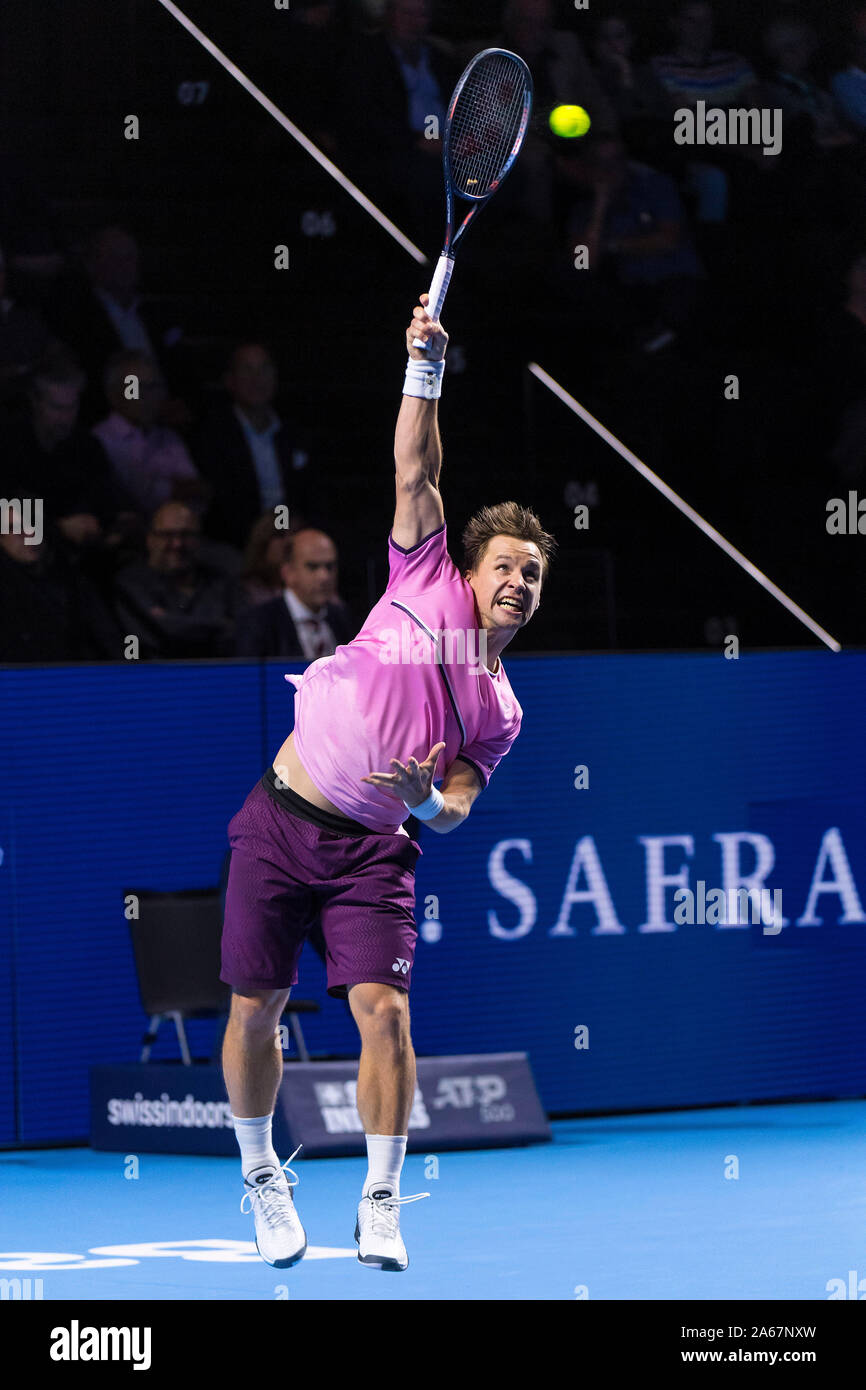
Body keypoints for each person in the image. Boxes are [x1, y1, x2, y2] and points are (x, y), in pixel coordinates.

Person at [219, 294, 556, 1272]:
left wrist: (418, 802)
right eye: (506, 565)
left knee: (387, 1013)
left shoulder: (498, 706)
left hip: (375, 848)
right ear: (469, 565)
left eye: (533, 576)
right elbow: (417, 463)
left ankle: (378, 1198)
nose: (518, 583)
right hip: (281, 817)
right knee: (253, 1004)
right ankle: (261, 1178)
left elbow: (453, 807)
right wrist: (424, 364)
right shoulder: (422, 574)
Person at [193, 342, 316, 550]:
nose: (257, 378)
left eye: (264, 369)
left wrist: (288, 527)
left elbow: (309, 493)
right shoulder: (213, 434)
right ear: (229, 380)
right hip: (236, 541)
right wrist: (262, 533)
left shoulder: (293, 433)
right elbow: (221, 500)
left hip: (291, 535)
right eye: (247, 369)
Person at [113, 501, 241, 658]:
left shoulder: (220, 581)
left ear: (199, 539)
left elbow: (243, 630)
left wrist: (169, 619)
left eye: (186, 535)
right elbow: (160, 632)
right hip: (153, 676)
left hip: (217, 676)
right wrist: (220, 624)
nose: (177, 544)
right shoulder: (131, 582)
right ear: (150, 539)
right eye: (167, 535)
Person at [92, 350, 201, 517]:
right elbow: (143, 497)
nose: (146, 395)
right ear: (113, 393)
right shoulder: (100, 440)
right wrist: (178, 489)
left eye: (154, 386)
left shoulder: (169, 437)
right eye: (135, 387)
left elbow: (199, 494)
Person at [235, 527, 354, 658]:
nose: (324, 576)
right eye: (312, 567)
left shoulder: (342, 617)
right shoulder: (258, 623)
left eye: (330, 566)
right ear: (288, 572)